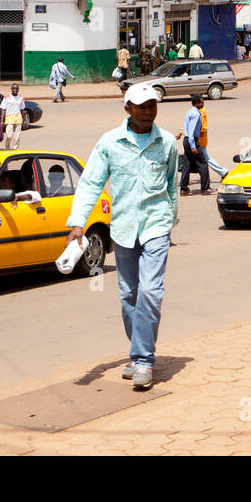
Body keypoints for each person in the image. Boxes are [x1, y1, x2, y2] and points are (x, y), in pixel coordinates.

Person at [65, 82, 178, 391]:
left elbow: (171, 184)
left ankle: (143, 360)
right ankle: (138, 353)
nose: (148, 111)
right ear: (128, 108)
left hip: (156, 226)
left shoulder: (168, 143)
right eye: (141, 107)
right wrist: (78, 223)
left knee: (150, 292)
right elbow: (90, 183)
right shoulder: (110, 143)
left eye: (152, 105)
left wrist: (170, 220)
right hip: (124, 228)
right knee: (129, 294)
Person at [177, 93, 213, 196]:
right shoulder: (196, 114)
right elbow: (191, 131)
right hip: (191, 141)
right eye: (202, 102)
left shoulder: (189, 112)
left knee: (187, 164)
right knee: (203, 164)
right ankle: (205, 188)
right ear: (197, 103)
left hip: (186, 140)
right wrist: (193, 146)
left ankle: (184, 189)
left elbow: (187, 127)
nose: (203, 104)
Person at [0, 84, 25, 149]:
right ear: (11, 89)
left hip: (18, 118)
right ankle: (7, 148)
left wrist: (24, 120)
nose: (15, 90)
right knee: (9, 135)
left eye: (16, 88)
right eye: (14, 88)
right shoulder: (7, 98)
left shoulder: (20, 98)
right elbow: (3, 109)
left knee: (17, 137)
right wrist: (2, 121)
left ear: (18, 89)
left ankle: (15, 149)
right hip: (9, 118)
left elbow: (22, 109)